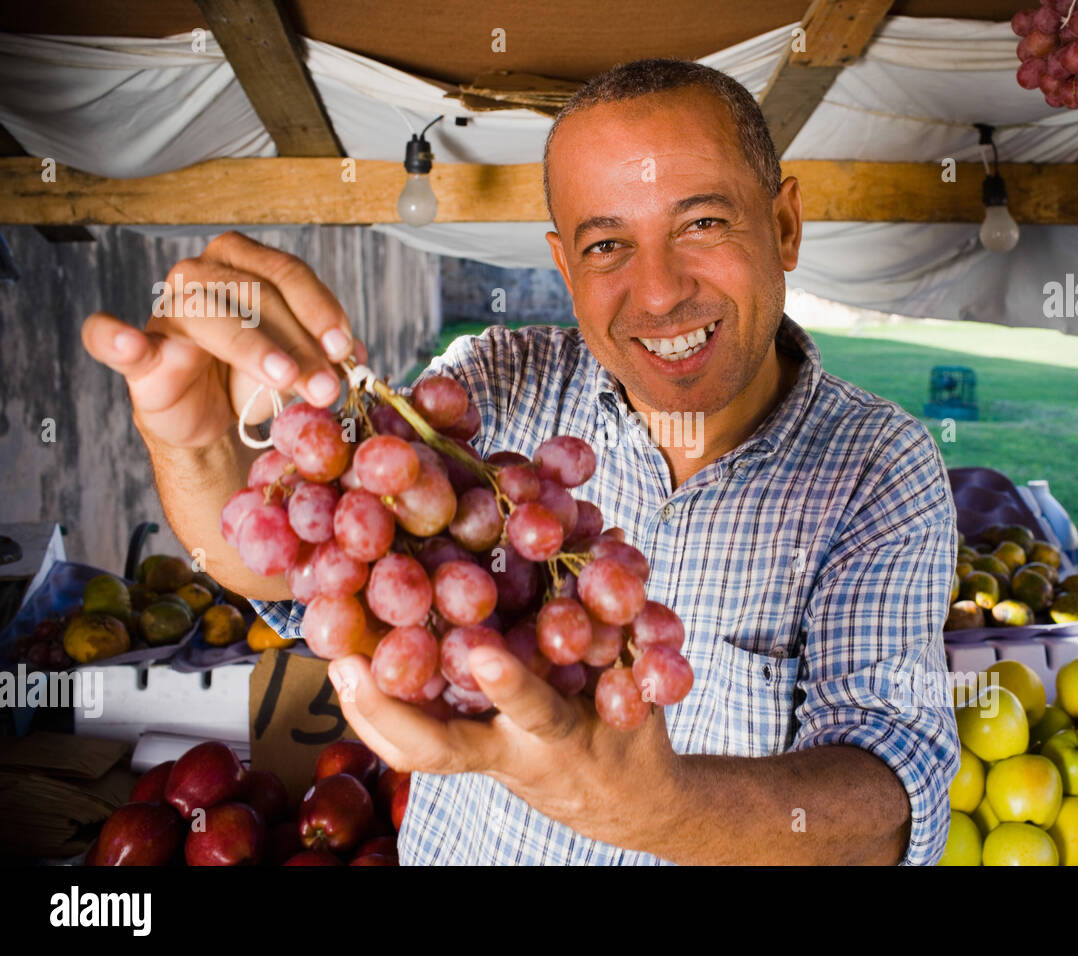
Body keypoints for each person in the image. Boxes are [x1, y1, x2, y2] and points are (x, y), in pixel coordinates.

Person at [83, 58, 958, 865]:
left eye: (702, 221)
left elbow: (893, 793)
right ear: (564, 268)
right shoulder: (492, 385)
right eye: (607, 244)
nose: (659, 292)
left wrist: (659, 809)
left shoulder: (881, 467)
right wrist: (191, 438)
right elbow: (291, 573)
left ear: (786, 224)